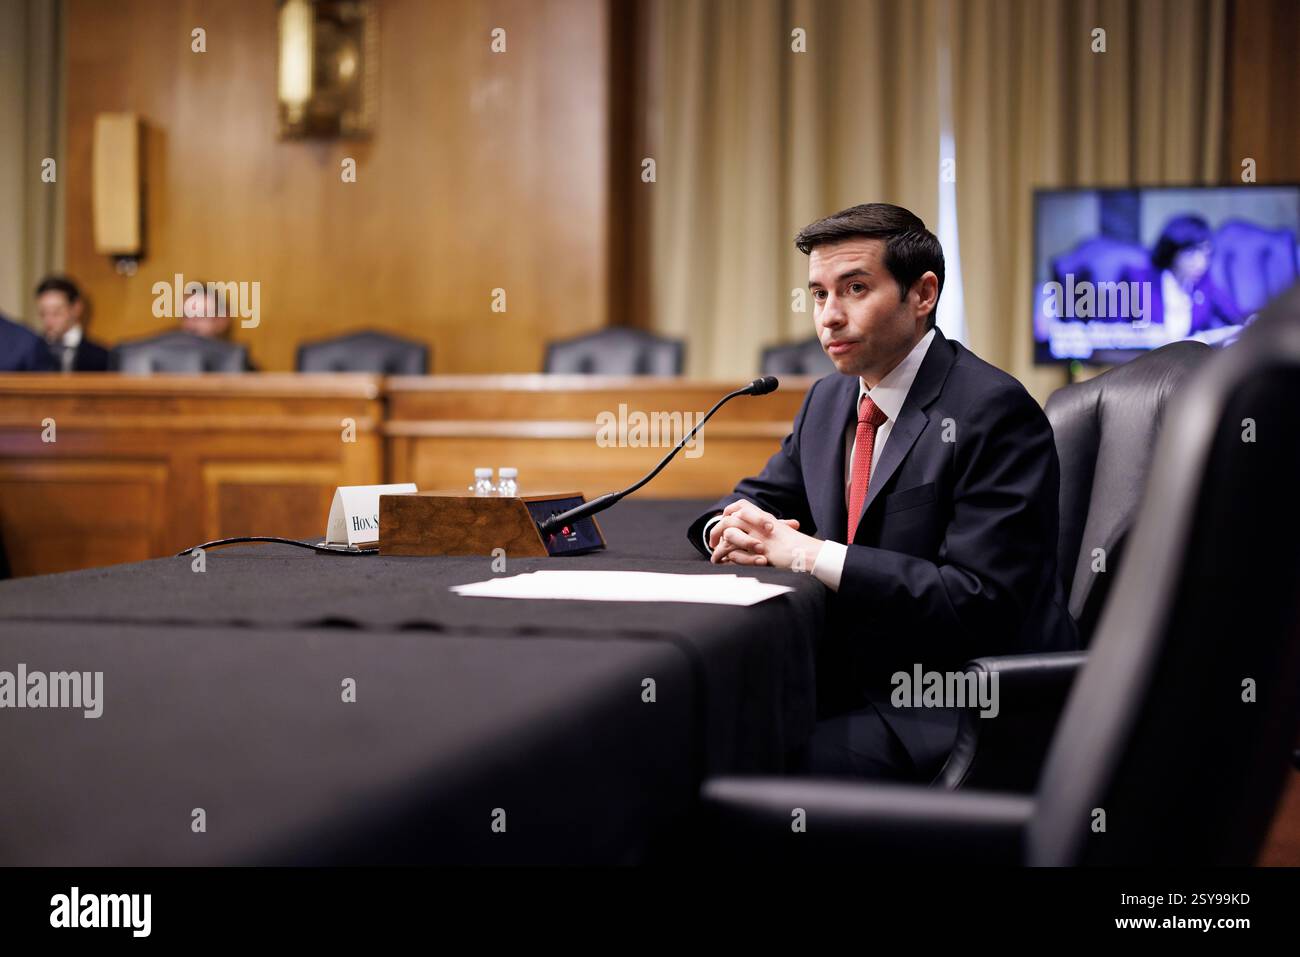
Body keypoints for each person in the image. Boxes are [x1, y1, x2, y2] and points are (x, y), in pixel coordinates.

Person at [688, 203, 1077, 781]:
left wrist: (808, 553)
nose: (829, 317)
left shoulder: (992, 410)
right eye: (819, 294)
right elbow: (755, 501)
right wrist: (728, 531)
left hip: (949, 704)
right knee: (690, 733)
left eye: (855, 289)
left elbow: (978, 601)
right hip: (845, 680)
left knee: (738, 767)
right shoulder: (829, 400)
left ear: (922, 295)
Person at [1147, 215, 1243, 345]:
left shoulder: (1205, 284)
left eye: (1206, 255)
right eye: (1191, 254)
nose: (1201, 264)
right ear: (1172, 252)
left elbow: (1236, 317)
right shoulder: (1142, 280)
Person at [35, 276, 110, 371]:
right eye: (43, 313)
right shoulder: (32, 350)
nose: (48, 320)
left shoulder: (102, 356)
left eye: (56, 312)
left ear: (76, 309)